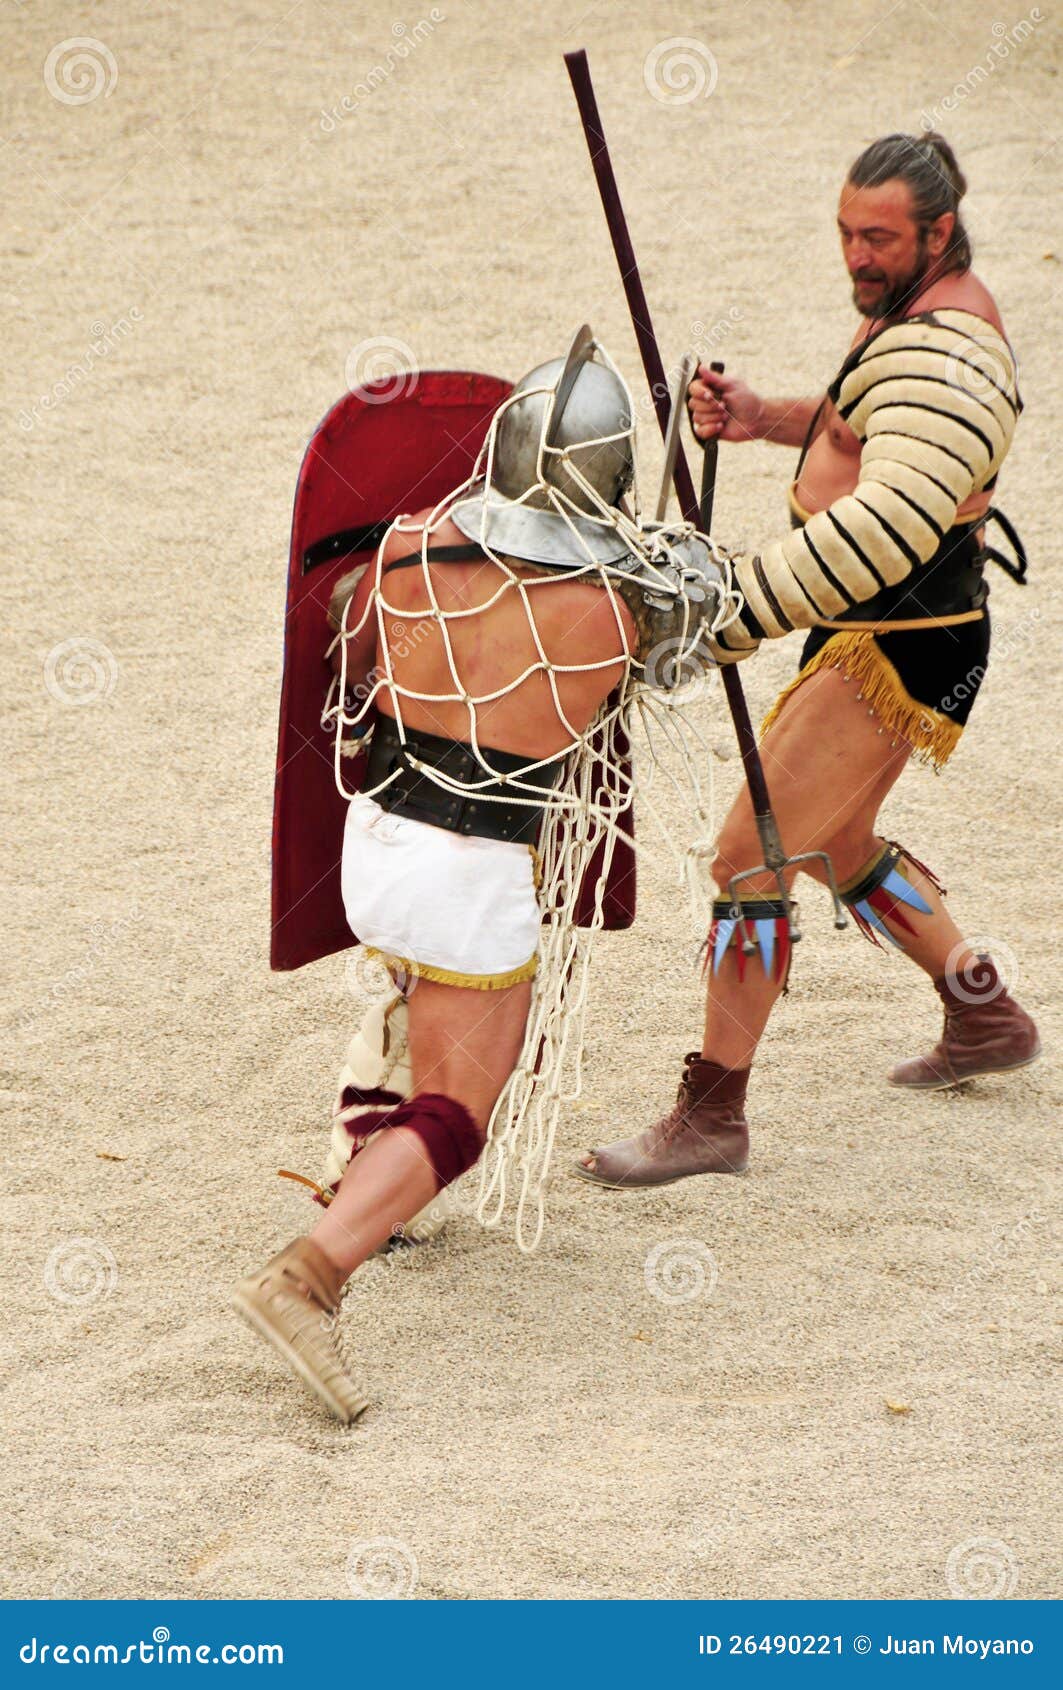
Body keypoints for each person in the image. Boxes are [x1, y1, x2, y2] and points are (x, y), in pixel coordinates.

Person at [233, 333, 729, 1417]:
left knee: (422, 1033)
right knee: (462, 1111)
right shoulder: (609, 606)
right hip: (473, 874)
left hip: (376, 846)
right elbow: (703, 634)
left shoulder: (407, 542)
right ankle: (309, 1276)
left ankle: (364, 1163)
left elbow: (349, 640)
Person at [576, 132, 1039, 1190]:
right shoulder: (908, 319)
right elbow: (860, 431)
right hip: (882, 631)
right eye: (845, 232)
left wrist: (730, 609)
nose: (855, 256)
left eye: (878, 236)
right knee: (830, 840)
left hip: (898, 641)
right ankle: (982, 1013)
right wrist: (761, 419)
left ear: (939, 228)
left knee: (752, 849)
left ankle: (711, 1115)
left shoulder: (953, 354)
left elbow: (886, 527)